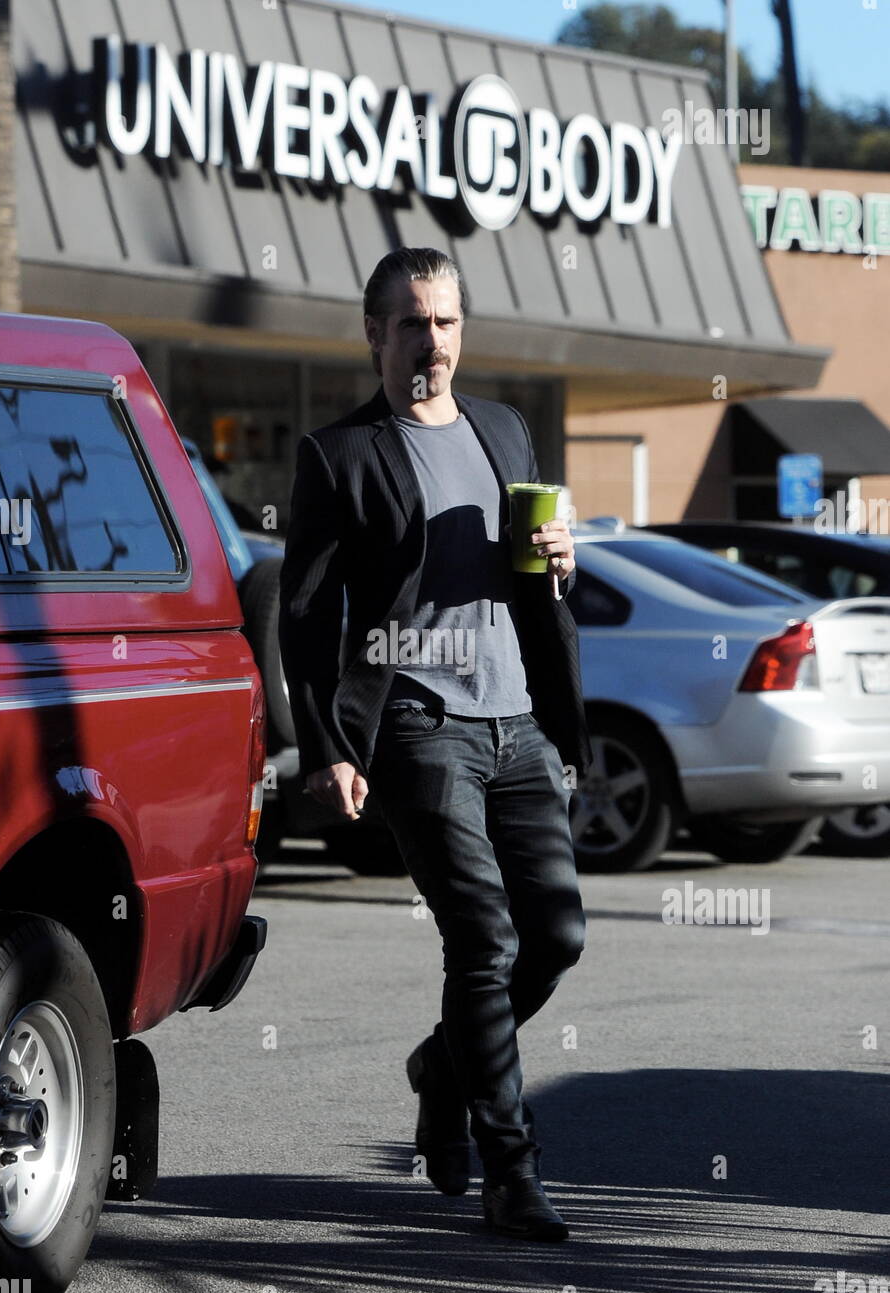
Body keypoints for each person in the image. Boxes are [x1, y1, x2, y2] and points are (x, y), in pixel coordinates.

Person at [278, 247, 592, 1241]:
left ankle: (437, 1064)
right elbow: (302, 617)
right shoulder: (340, 456)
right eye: (411, 322)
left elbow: (536, 581)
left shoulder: (503, 428)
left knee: (555, 936)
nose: (432, 340)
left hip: (518, 723)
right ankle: (511, 1169)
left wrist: (560, 562)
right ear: (374, 333)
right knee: (483, 939)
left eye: (446, 321)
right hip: (417, 727)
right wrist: (328, 743)